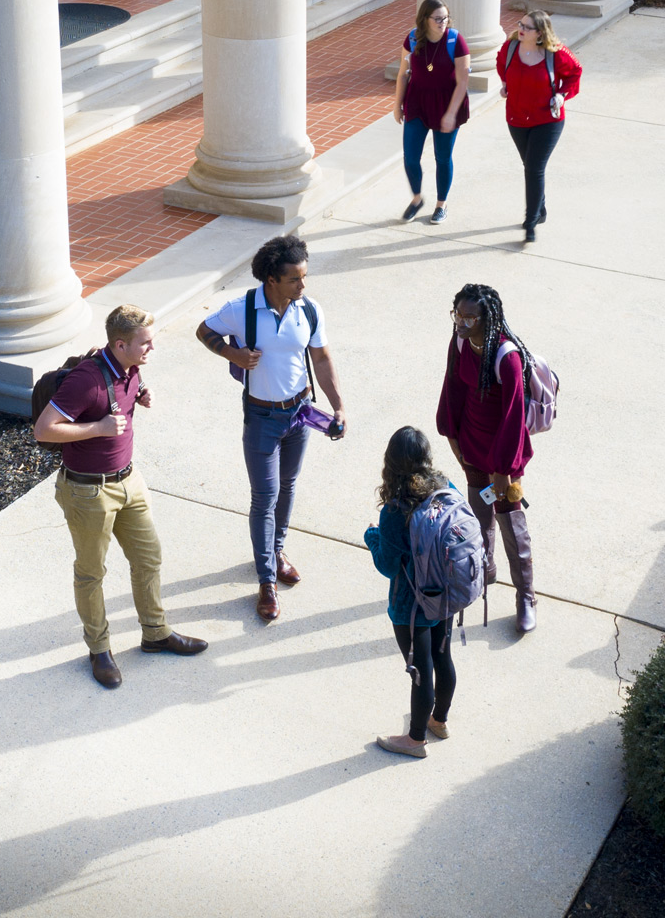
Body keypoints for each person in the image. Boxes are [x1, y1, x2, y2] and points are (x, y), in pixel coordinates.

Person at [35, 305, 207, 689]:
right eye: (145, 344)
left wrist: (140, 393)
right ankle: (99, 650)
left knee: (148, 557)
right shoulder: (85, 381)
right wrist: (98, 426)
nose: (151, 350)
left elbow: (124, 396)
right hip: (88, 491)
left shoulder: (128, 366)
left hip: (130, 481)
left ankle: (156, 634)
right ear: (119, 344)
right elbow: (44, 430)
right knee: (91, 572)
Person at [194, 235, 348, 622]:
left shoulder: (308, 310)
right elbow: (204, 330)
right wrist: (232, 353)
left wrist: (339, 405)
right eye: (295, 279)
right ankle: (266, 582)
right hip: (261, 418)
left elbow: (322, 357)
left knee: (288, 486)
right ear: (272, 280)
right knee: (265, 496)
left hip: (299, 414)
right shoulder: (242, 309)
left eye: (305, 277)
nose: (303, 285)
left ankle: (277, 552)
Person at [436, 283, 538, 632]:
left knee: (510, 521)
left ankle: (526, 596)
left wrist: (504, 470)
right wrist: (453, 437)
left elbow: (512, 417)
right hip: (472, 449)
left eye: (469, 317)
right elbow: (453, 387)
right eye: (457, 315)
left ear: (487, 318)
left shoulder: (506, 357)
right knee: (479, 517)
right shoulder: (461, 341)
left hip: (503, 458)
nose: (461, 323)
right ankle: (485, 570)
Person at [365, 427, 458, 759]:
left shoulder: (394, 511)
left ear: (390, 463)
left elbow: (389, 567)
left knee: (420, 670)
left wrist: (372, 537)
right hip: (446, 592)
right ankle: (439, 720)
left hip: (411, 605)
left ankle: (416, 739)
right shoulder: (446, 489)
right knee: (442, 656)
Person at [497, 10, 581, 243]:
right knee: (530, 165)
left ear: (540, 32)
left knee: (534, 168)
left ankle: (531, 221)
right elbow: (500, 62)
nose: (521, 29)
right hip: (516, 118)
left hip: (548, 121)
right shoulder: (511, 48)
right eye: (521, 24)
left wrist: (563, 94)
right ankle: (540, 208)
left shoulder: (556, 53)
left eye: (527, 27)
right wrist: (505, 83)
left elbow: (575, 73)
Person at [391, 0, 470, 226]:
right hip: (417, 102)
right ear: (424, 19)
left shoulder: (456, 40)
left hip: (447, 103)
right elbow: (403, 73)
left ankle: (441, 204)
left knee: (443, 157)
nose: (442, 22)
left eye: (445, 17)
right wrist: (397, 104)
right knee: (410, 157)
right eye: (437, 18)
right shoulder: (413, 38)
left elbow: (463, 81)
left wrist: (450, 113)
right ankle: (417, 199)